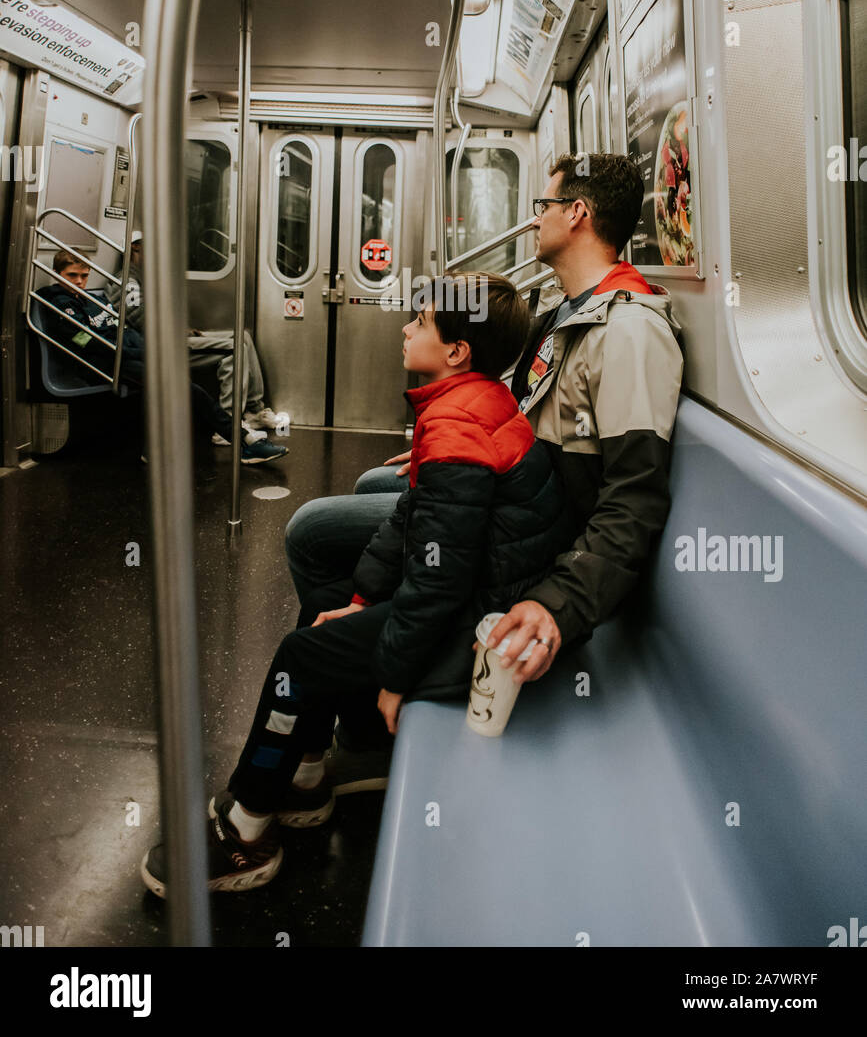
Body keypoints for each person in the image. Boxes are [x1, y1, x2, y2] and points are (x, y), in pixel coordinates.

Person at [140, 273, 575, 895]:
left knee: (301, 654)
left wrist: (395, 674)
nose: (406, 327)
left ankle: (247, 832)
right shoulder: (475, 403)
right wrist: (361, 600)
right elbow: (410, 524)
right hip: (482, 590)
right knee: (324, 612)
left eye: (420, 322)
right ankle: (306, 776)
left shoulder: (455, 429)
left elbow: (440, 579)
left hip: (481, 626)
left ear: (457, 352)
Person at [284, 152, 684, 790]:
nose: (533, 223)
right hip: (508, 488)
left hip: (529, 532)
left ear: (577, 214)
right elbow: (510, 413)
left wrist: (559, 602)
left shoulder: (629, 331)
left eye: (542, 208)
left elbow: (632, 500)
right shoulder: (563, 312)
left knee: (312, 532)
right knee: (369, 492)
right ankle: (359, 700)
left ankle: (359, 709)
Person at [37, 249, 287, 464]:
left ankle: (165, 449)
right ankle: (244, 440)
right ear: (58, 275)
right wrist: (147, 351)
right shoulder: (61, 305)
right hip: (111, 362)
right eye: (72, 276)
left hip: (131, 353)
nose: (79, 282)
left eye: (84, 276)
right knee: (186, 389)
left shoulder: (90, 299)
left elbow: (123, 329)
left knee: (182, 387)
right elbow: (91, 344)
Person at [106, 233, 289, 440]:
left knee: (243, 336)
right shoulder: (128, 279)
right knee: (234, 348)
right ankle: (227, 426)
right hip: (158, 344)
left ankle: (254, 410)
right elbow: (139, 317)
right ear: (136, 248)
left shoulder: (144, 276)